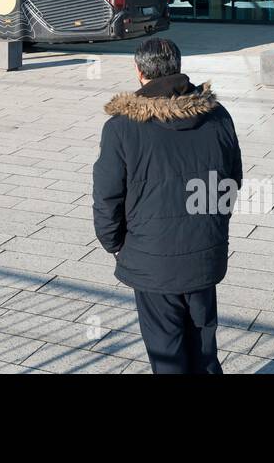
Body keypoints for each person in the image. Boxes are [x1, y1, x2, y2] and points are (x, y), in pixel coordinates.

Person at [93, 37, 242, 374]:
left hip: (151, 258)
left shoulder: (121, 127)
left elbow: (107, 196)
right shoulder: (217, 115)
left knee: (167, 353)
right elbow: (232, 181)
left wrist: (114, 244)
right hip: (203, 251)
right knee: (204, 347)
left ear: (138, 71)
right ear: (177, 67)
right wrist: (211, 225)